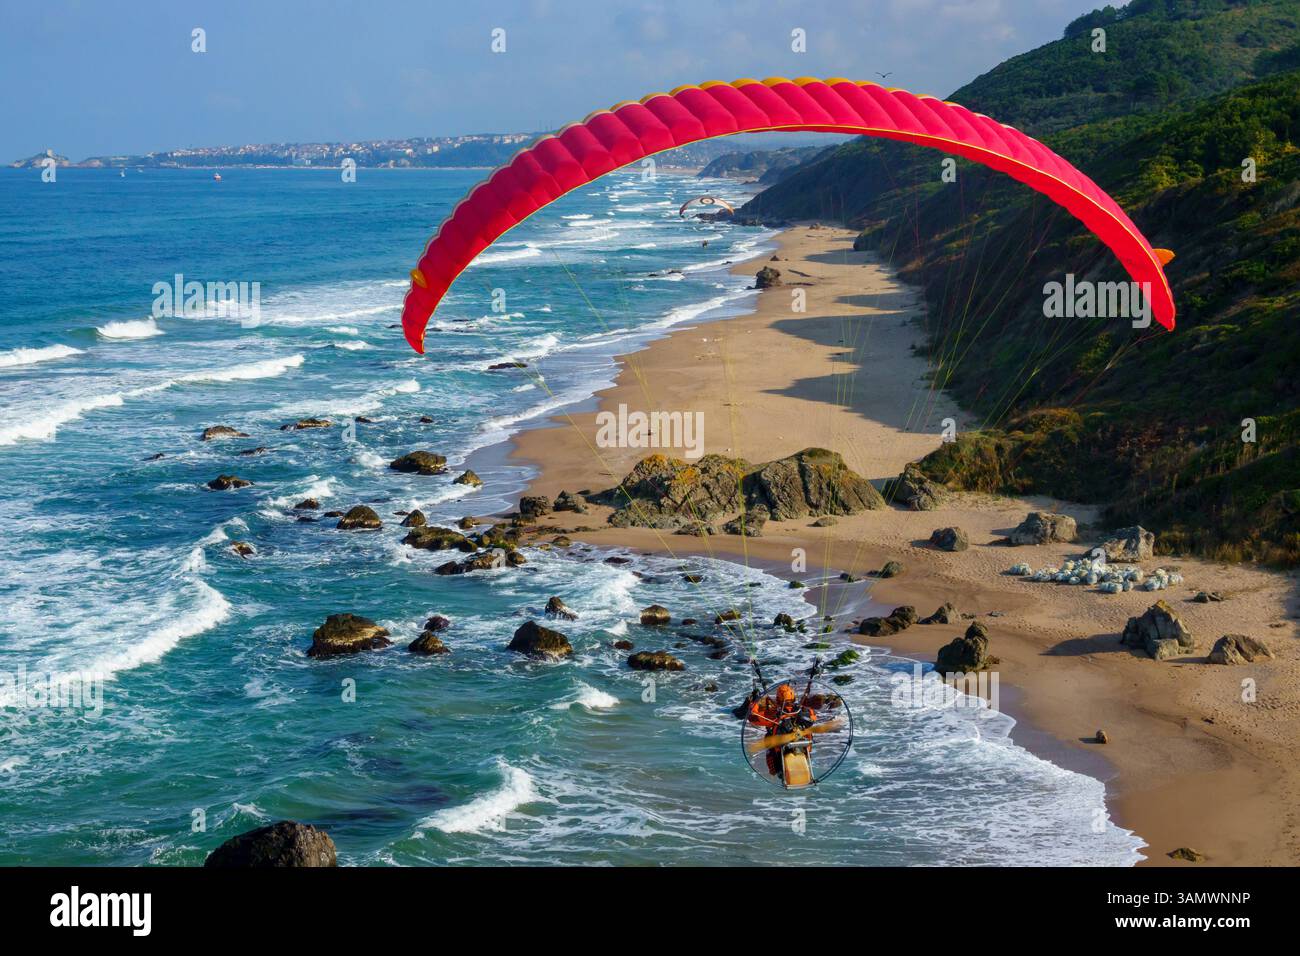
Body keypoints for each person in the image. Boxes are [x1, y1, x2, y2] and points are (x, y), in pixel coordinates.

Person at [747, 683, 817, 778]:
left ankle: (774, 771)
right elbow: (813, 717)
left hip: (780, 750)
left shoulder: (774, 715)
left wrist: (755, 701)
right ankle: (807, 758)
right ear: (793, 698)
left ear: (778, 699)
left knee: (769, 739)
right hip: (803, 746)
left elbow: (753, 718)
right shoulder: (806, 712)